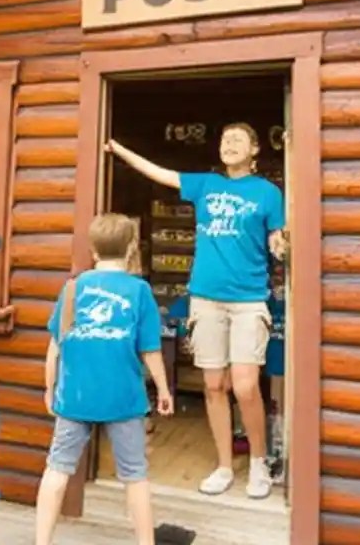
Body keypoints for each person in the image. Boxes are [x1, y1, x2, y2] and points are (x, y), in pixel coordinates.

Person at [108, 123, 286, 499]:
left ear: (254, 150)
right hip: (205, 299)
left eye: (238, 140)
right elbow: (160, 173)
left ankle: (257, 463)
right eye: (225, 140)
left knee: (246, 385)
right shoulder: (206, 184)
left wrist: (281, 245)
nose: (229, 144)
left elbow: (277, 240)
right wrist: (119, 149)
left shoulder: (268, 194)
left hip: (249, 300)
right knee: (212, 385)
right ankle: (223, 465)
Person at [34, 214, 173, 545]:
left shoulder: (71, 289)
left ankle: (42, 541)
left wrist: (49, 388)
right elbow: (151, 350)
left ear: (93, 249)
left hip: (75, 397)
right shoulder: (140, 291)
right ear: (129, 250)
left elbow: (55, 347)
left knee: (57, 468)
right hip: (124, 399)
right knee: (135, 476)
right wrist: (164, 390)